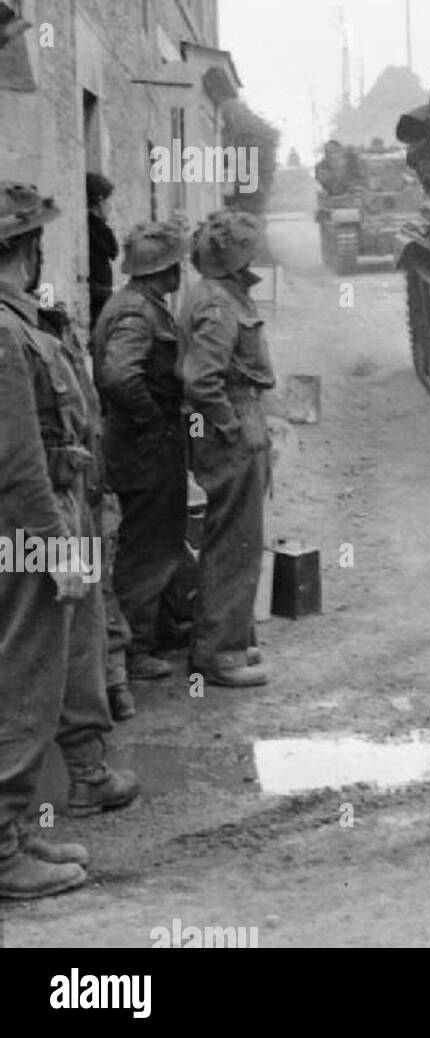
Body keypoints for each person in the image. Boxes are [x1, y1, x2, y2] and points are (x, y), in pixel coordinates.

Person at [0, 183, 138, 902]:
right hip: (24, 529)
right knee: (22, 681)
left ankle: (17, 833)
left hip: (39, 515)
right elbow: (19, 462)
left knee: (39, 673)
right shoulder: (3, 331)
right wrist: (57, 550)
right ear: (28, 248)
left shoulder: (20, 323)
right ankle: (2, 853)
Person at [180, 209, 275, 689]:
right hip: (231, 431)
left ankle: (229, 638)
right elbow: (202, 381)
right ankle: (219, 655)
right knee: (234, 542)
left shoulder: (222, 292)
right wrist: (231, 428)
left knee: (237, 537)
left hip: (237, 422)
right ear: (233, 259)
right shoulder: (218, 305)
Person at [92, 220, 189, 688]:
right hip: (145, 445)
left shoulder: (141, 304)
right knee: (146, 548)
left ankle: (161, 629)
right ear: (162, 270)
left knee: (161, 538)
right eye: (176, 265)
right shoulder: (136, 314)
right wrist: (152, 420)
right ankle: (134, 650)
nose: (181, 273)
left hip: (147, 444)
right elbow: (117, 376)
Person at [85, 172, 117, 331]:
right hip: (92, 308)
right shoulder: (90, 232)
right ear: (99, 203)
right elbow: (85, 281)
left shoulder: (100, 229)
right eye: (107, 201)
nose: (110, 207)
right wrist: (110, 291)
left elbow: (113, 250)